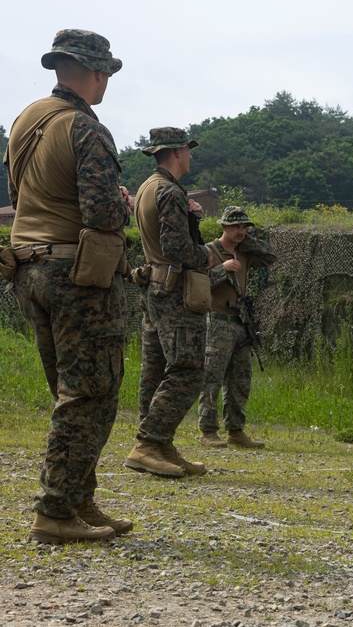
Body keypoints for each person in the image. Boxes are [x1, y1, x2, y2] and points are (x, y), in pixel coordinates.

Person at [3, 29, 133, 543]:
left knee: (69, 391)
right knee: (90, 393)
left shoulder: (25, 120)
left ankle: (78, 499)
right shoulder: (85, 127)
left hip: (27, 269)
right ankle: (55, 509)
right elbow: (101, 213)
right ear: (95, 71)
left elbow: (22, 195)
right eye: (106, 74)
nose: (106, 83)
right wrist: (121, 203)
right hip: (75, 276)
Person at [127, 127, 215, 478]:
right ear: (176, 152)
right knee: (188, 370)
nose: (191, 156)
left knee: (155, 369)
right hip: (174, 291)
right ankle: (149, 443)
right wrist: (206, 253)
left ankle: (159, 445)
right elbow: (178, 249)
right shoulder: (169, 191)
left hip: (154, 288)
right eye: (188, 151)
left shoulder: (148, 187)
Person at [197, 206, 276, 449]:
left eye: (244, 227)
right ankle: (208, 430)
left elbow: (270, 255)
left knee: (241, 379)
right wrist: (223, 269)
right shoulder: (209, 251)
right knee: (212, 377)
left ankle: (236, 429)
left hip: (241, 324)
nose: (240, 231)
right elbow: (197, 283)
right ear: (223, 227)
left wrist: (245, 239)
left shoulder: (245, 253)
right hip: (218, 322)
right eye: (235, 227)